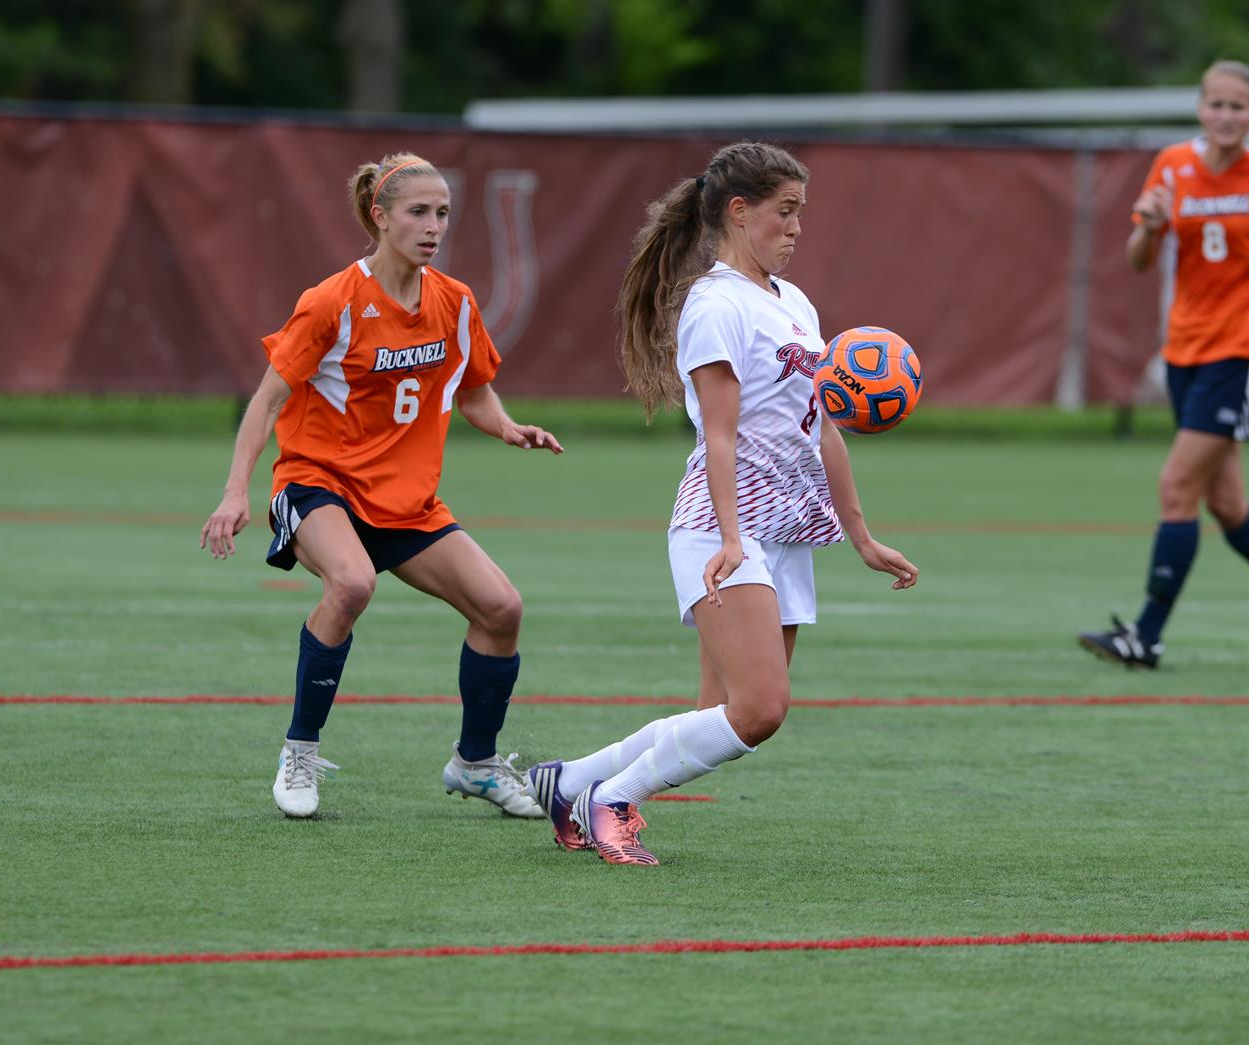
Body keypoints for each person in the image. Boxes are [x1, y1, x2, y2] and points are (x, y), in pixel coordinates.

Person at [523, 141, 919, 865]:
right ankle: (609, 800)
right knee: (761, 709)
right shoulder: (713, 304)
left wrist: (861, 536)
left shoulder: (793, 303)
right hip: (722, 525)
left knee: (720, 716)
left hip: (786, 531)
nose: (797, 228)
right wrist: (732, 540)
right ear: (739, 211)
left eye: (802, 213)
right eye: (785, 212)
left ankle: (571, 780)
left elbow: (823, 424)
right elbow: (720, 436)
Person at [200, 152, 562, 820]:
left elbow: (473, 389)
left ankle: (475, 762)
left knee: (502, 608)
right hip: (318, 484)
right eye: (419, 212)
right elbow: (266, 397)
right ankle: (301, 752)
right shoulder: (332, 300)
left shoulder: (453, 302)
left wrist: (507, 427)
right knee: (352, 583)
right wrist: (234, 490)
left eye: (443, 213)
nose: (434, 226)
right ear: (381, 215)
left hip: (406, 502)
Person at [1079, 62, 1249, 670]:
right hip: (1185, 350)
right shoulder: (1171, 166)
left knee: (1176, 488)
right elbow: (1140, 256)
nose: (1226, 116)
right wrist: (1153, 224)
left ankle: (1147, 635)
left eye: (1238, 106)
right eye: (1216, 104)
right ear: (1200, 109)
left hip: (1242, 352)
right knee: (1227, 506)